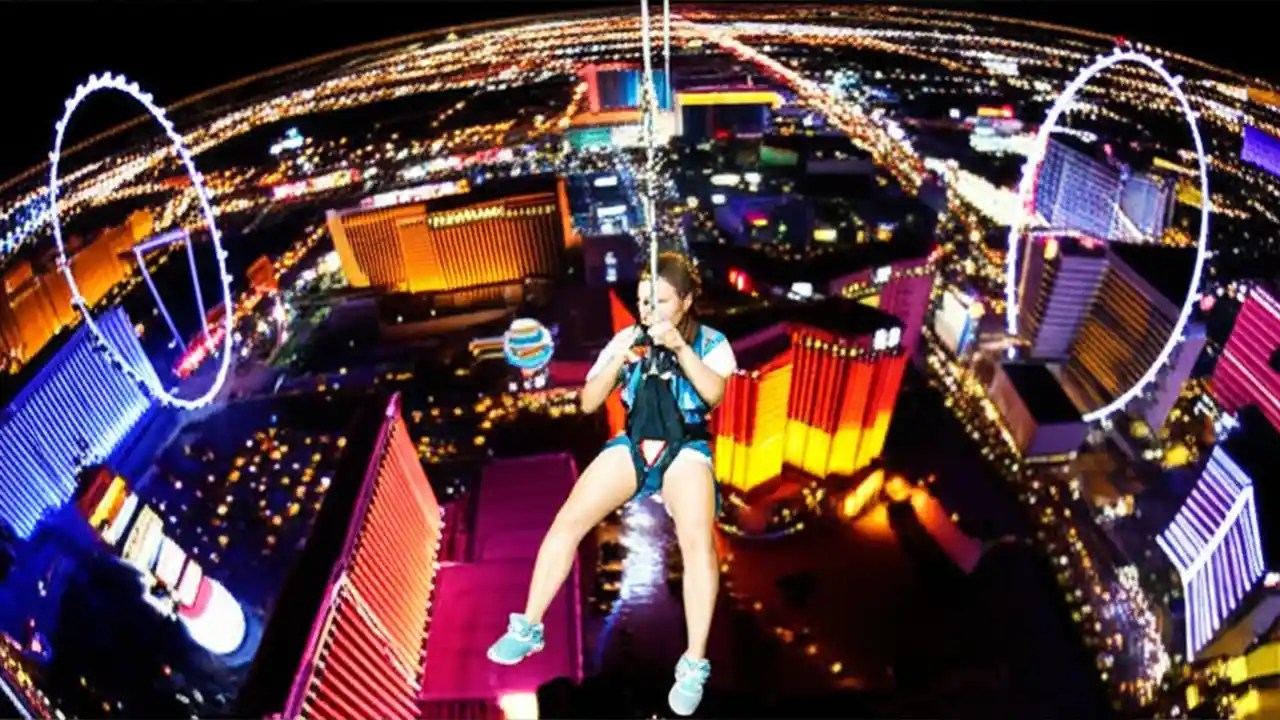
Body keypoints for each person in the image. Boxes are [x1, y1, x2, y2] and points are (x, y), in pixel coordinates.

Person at [486, 251, 736, 716]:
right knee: (567, 522)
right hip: (633, 443)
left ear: (685, 301)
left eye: (659, 300)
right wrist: (617, 361)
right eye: (644, 301)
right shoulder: (628, 339)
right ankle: (528, 626)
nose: (648, 310)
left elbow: (714, 393)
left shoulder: (712, 343)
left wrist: (679, 350)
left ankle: (694, 661)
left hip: (686, 449)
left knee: (698, 542)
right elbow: (587, 403)